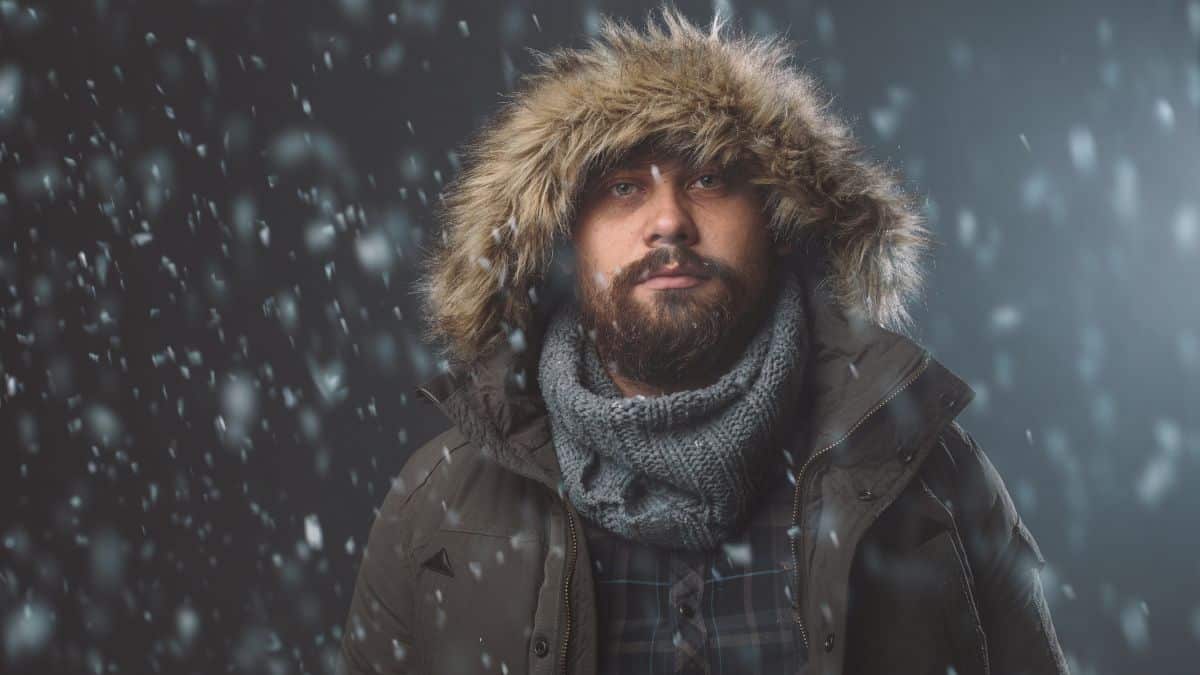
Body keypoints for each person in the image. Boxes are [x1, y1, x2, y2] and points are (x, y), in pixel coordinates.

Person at [338, 6, 1070, 674]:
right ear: (566, 234)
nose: (669, 222)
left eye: (711, 177)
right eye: (624, 186)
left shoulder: (921, 469)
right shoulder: (438, 500)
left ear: (780, 217)